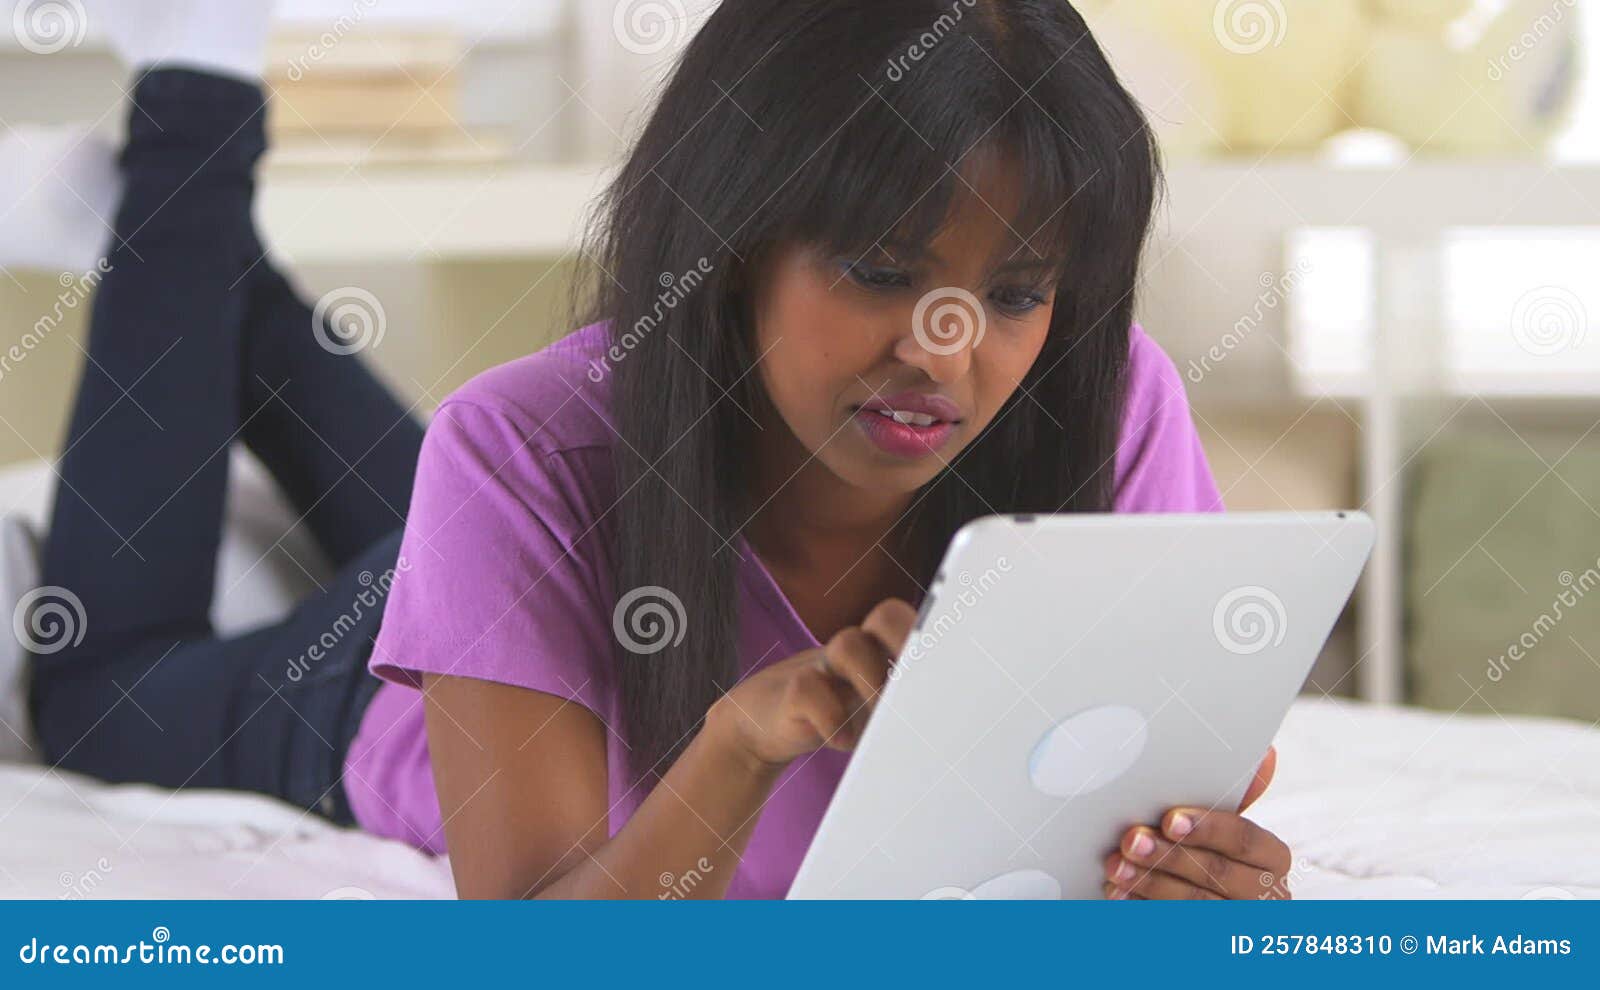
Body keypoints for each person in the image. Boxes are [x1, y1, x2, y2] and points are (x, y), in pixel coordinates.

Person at [21, 0, 1292, 901]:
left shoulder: (1105, 401)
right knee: (94, 696)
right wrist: (738, 747)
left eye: (1015, 292)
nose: (944, 351)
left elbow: (1188, 774)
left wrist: (1197, 876)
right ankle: (193, 97)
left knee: (479, 483)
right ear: (729, 248)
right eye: (878, 270)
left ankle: (172, 251)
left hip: (528, 551)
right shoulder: (520, 446)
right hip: (370, 680)